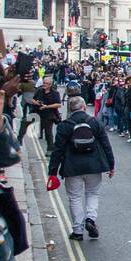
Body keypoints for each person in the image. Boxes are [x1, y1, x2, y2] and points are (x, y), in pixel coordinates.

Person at [46, 96, 114, 241]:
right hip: (94, 166)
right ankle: (90, 219)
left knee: (74, 197)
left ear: (70, 109)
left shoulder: (64, 125)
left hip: (72, 167)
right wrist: (111, 165)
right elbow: (106, 145)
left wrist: (52, 172)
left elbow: (57, 150)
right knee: (92, 194)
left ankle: (77, 231)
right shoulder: (95, 122)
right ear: (84, 107)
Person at [33, 75, 64, 150]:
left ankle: (50, 148)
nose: (44, 84)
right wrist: (37, 103)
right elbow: (33, 99)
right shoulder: (39, 90)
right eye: (44, 83)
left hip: (50, 114)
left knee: (48, 132)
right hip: (39, 113)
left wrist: (47, 106)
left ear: (50, 85)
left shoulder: (55, 93)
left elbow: (59, 105)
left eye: (46, 83)